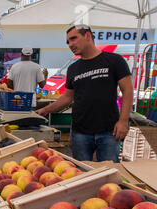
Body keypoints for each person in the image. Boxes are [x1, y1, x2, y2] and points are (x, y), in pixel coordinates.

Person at [36, 25, 133, 163]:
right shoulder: (73, 68)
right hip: (79, 132)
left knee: (108, 174)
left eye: (73, 39)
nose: (70, 44)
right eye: (68, 42)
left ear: (87, 36)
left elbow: (128, 91)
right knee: (81, 174)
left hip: (108, 131)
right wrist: (44, 110)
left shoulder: (114, 60)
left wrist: (123, 121)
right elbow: (67, 98)